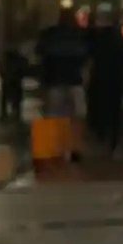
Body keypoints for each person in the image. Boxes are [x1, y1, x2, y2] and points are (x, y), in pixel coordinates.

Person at [36, 8, 90, 160]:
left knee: (54, 115)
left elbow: (40, 53)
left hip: (54, 79)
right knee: (77, 116)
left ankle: (55, 149)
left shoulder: (50, 34)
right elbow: (85, 56)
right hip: (74, 79)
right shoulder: (79, 35)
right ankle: (75, 148)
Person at [86, 8, 123, 154]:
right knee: (114, 109)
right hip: (116, 78)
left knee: (99, 106)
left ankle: (101, 132)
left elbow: (90, 55)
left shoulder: (96, 38)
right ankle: (113, 137)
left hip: (100, 77)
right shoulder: (119, 39)